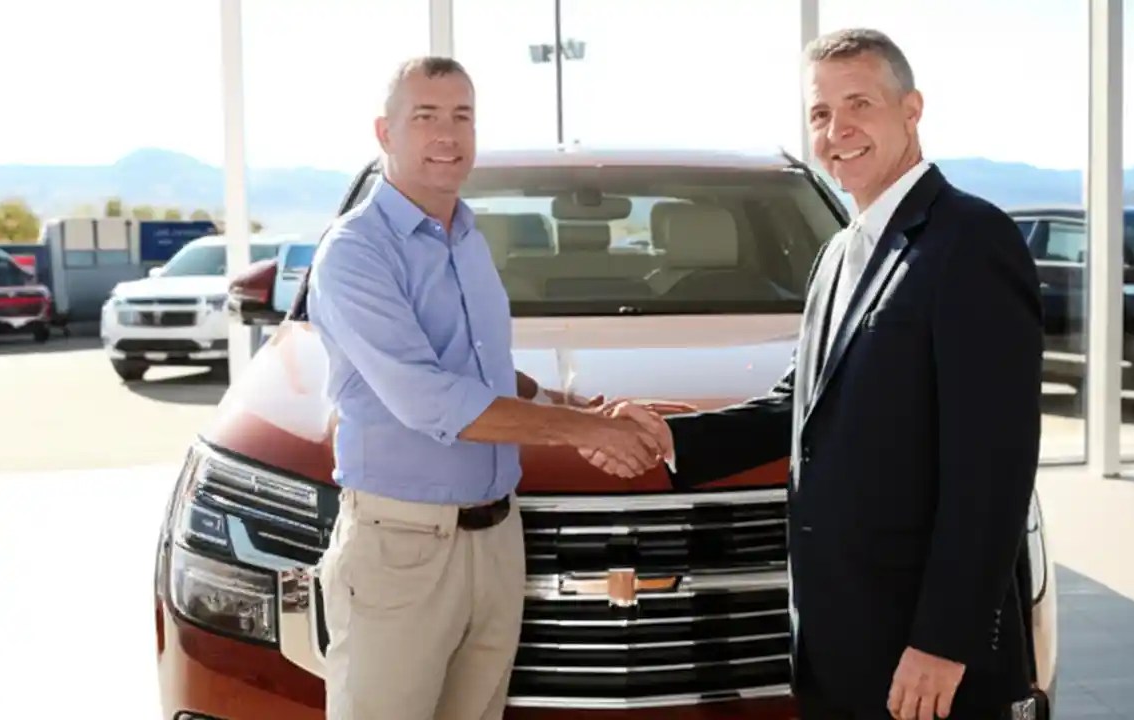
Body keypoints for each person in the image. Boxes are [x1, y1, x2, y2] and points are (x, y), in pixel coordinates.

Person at [596, 28, 1044, 720]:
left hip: (923, 658)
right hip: (839, 642)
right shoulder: (838, 252)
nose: (838, 130)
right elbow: (798, 408)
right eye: (820, 114)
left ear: (911, 109)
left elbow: (994, 468)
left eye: (858, 104)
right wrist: (673, 436)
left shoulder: (970, 241)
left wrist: (944, 642)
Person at [306, 56, 672, 720]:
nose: (447, 135)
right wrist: (590, 433)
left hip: (499, 538)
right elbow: (429, 399)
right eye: (425, 117)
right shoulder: (356, 252)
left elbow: (482, 372)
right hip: (403, 547)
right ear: (384, 132)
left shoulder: (467, 236)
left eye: (462, 116)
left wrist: (573, 405)